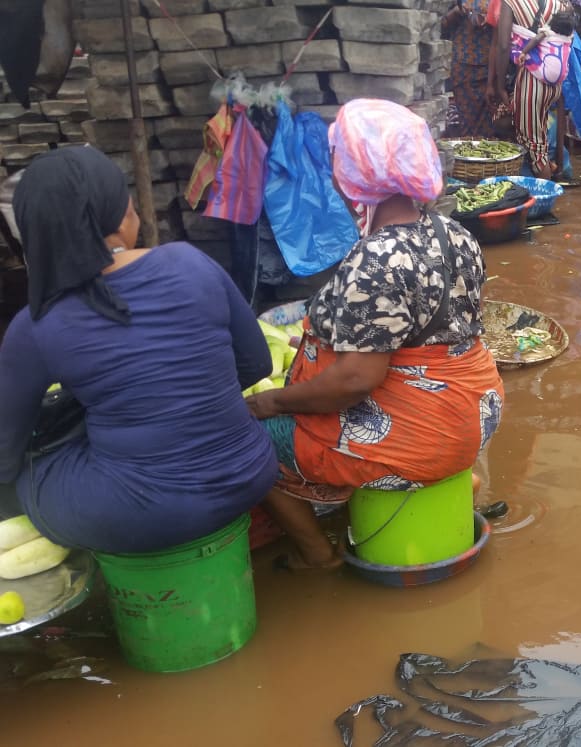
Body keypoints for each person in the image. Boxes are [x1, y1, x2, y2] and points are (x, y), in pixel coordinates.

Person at [245, 100, 505, 570]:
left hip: (420, 432)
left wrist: (272, 403)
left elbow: (355, 381)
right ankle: (450, 480)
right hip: (476, 411)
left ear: (355, 172)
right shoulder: (454, 234)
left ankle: (317, 555)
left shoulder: (376, 259)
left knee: (255, 442)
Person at [0, 147, 277, 553]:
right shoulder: (191, 262)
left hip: (145, 514)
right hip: (251, 472)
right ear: (121, 218)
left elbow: (7, 445)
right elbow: (256, 364)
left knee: (30, 469)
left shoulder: (37, 324)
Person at [489, 0, 561, 179]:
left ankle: (546, 199)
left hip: (531, 82)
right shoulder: (559, 4)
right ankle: (536, 175)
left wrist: (500, 86)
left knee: (537, 150)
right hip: (553, 81)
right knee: (513, 124)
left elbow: (503, 46)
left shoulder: (511, 2)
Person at [443, 0, 498, 138]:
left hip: (489, 68)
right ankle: (468, 154)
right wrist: (457, 12)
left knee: (488, 121)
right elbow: (439, 25)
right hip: (463, 67)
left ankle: (483, 153)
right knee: (466, 119)